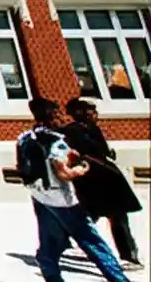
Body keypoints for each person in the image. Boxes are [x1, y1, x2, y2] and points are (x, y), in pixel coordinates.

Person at [21, 98, 129, 282]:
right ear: (52, 116)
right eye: (58, 114)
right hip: (64, 199)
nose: (62, 118)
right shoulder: (56, 141)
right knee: (93, 242)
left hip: (40, 195)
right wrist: (81, 169)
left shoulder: (25, 138)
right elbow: (63, 173)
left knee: (49, 242)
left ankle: (52, 276)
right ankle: (119, 279)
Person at [62, 98, 142, 270]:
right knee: (108, 216)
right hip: (94, 180)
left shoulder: (92, 129)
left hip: (105, 179)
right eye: (90, 110)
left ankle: (128, 256)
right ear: (79, 112)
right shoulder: (72, 131)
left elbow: (102, 151)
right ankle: (127, 256)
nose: (94, 114)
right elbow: (82, 154)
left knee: (101, 217)